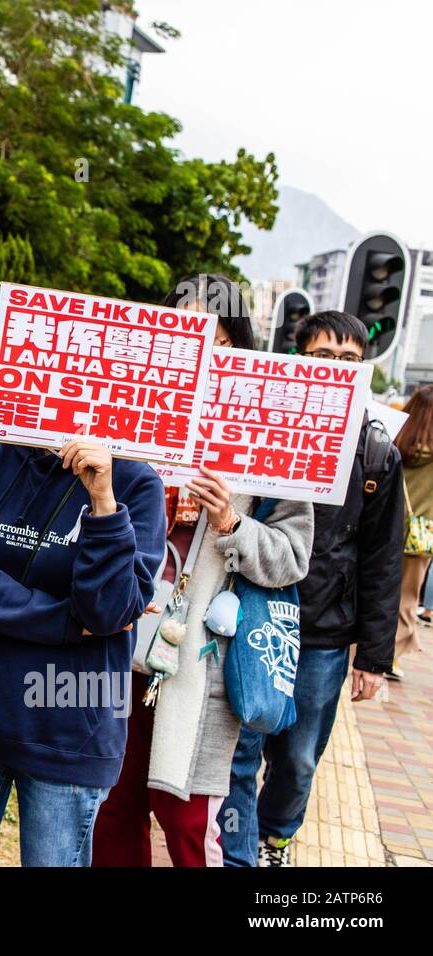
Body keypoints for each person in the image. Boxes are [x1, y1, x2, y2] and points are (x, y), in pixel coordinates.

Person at [92, 274, 314, 867]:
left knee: (189, 820)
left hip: (204, 661)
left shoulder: (273, 433)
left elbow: (293, 554)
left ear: (238, 349)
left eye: (214, 339)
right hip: (117, 638)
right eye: (183, 334)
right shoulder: (125, 411)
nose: (199, 353)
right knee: (110, 805)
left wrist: (231, 525)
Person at [0, 428, 166, 865]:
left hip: (71, 731)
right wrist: (64, 621)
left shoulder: (137, 482)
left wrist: (103, 505)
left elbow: (109, 613)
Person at [222, 310, 403, 867]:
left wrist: (373, 657)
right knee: (242, 746)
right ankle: (236, 851)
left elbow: (383, 558)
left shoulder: (376, 453)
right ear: (298, 358)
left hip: (324, 634)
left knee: (298, 757)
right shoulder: (259, 426)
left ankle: (275, 835)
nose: (337, 370)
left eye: (350, 360)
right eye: (324, 357)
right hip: (257, 614)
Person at [392, 384, 433, 675]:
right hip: (422, 535)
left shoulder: (396, 442)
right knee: (407, 596)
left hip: (389, 527)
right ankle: (390, 655)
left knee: (381, 589)